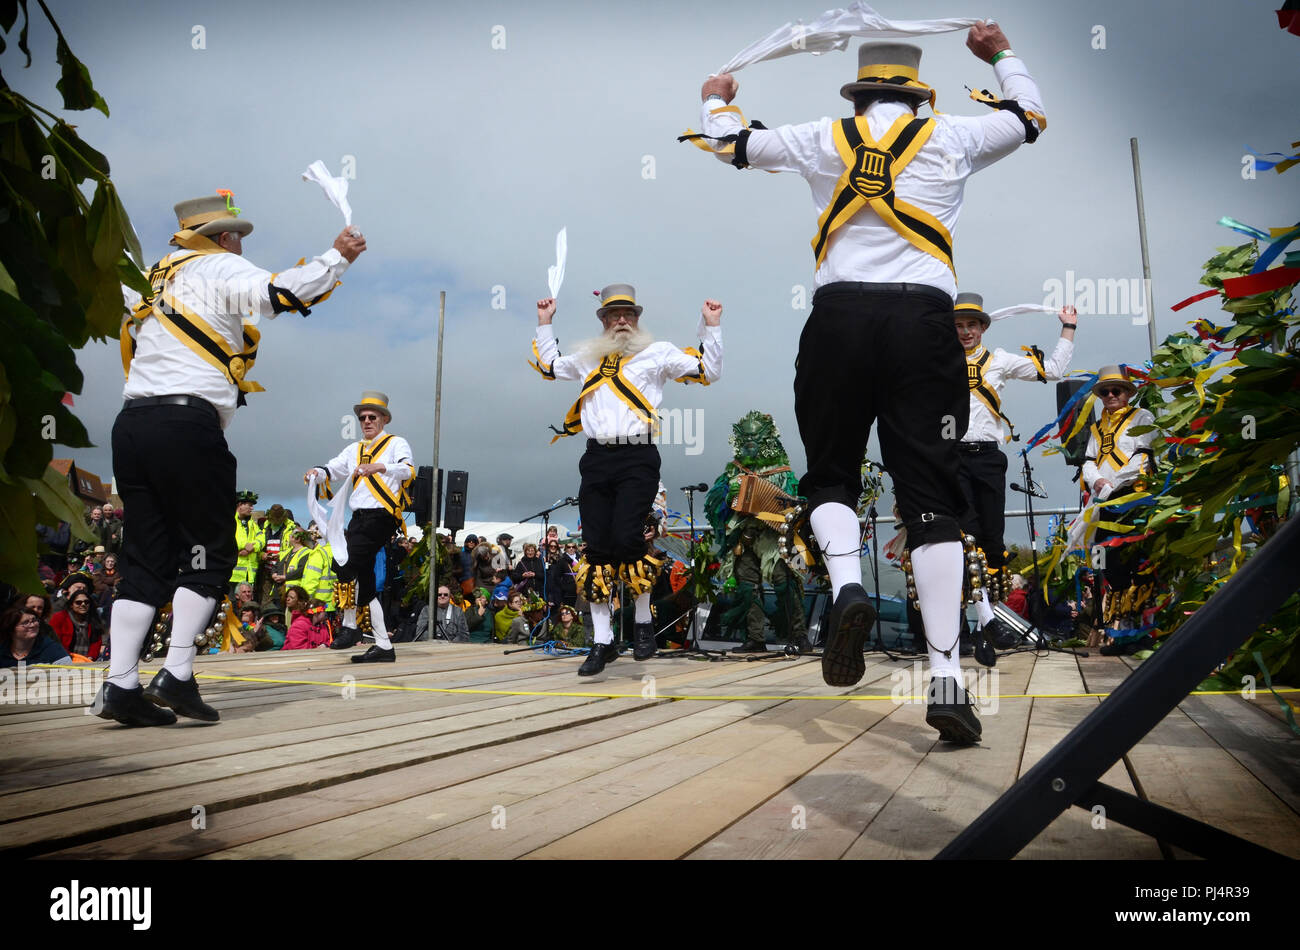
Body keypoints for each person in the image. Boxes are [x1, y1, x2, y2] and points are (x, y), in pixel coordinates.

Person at [692, 25, 1044, 743]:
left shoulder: (821, 137)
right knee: (932, 500)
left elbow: (729, 144)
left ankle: (848, 584)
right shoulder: (953, 137)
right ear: (918, 95)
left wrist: (715, 98)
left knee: (829, 476)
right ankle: (946, 676)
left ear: (860, 93)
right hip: (924, 322)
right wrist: (1000, 55)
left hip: (838, 316)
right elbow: (1029, 117)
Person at [96, 190, 365, 727]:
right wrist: (337, 257)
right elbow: (278, 292)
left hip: (132, 424)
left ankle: (120, 684)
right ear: (223, 238)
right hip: (187, 426)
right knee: (208, 551)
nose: (241, 247)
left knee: (145, 557)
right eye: (238, 238)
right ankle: (175, 674)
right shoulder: (217, 268)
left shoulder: (152, 278)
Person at [531, 285, 723, 675]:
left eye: (628, 314)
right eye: (613, 315)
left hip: (638, 455)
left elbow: (708, 370)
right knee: (597, 547)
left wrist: (711, 326)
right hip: (597, 457)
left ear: (637, 319)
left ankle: (641, 619)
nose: (621, 320)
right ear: (602, 321)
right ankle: (602, 643)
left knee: (628, 538)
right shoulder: (588, 358)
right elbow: (549, 365)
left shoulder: (657, 353)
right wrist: (544, 321)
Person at [953, 292, 1077, 648]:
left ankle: (986, 621)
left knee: (992, 540)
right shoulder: (938, 361)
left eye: (971, 325)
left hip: (989, 458)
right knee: (965, 537)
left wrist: (1068, 327)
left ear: (982, 328)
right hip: (953, 458)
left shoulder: (1000, 360)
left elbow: (1053, 370)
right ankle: (967, 624)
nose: (965, 332)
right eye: (959, 326)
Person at [304, 392, 413, 662]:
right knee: (363, 579)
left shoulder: (396, 443)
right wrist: (315, 473)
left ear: (384, 419)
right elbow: (333, 469)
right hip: (359, 518)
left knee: (343, 563)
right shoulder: (353, 449)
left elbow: (409, 470)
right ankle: (384, 645)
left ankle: (351, 627)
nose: (366, 421)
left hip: (382, 516)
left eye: (372, 417)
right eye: (362, 417)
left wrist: (380, 467)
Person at [1080, 365, 1156, 649]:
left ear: (1127, 393)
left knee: (1137, 560)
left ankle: (1142, 631)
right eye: (1105, 391)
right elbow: (1088, 460)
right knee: (1107, 560)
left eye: (1116, 390)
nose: (1111, 395)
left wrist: (1113, 483)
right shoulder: (1097, 427)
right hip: (1104, 501)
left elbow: (1143, 458)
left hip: (1133, 499)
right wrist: (1097, 480)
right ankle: (1123, 630)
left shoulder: (1142, 417)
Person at [1, 605, 71, 668]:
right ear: (11, 628)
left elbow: (68, 675)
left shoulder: (53, 649)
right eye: (25, 622)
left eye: (34, 620)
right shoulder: (2, 650)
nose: (32, 625)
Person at [50, 589, 106, 660]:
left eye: (86, 602)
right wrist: (71, 658)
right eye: (78, 602)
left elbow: (96, 642)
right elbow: (55, 641)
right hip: (63, 658)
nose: (83, 604)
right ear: (71, 605)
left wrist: (90, 657)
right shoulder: (59, 617)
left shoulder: (93, 618)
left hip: (88, 660)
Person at [230, 491, 264, 597]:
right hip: (232, 577)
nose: (252, 508)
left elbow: (262, 539)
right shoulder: (230, 521)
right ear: (240, 505)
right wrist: (244, 545)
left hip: (249, 575)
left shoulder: (252, 524)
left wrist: (252, 548)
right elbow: (227, 540)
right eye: (249, 505)